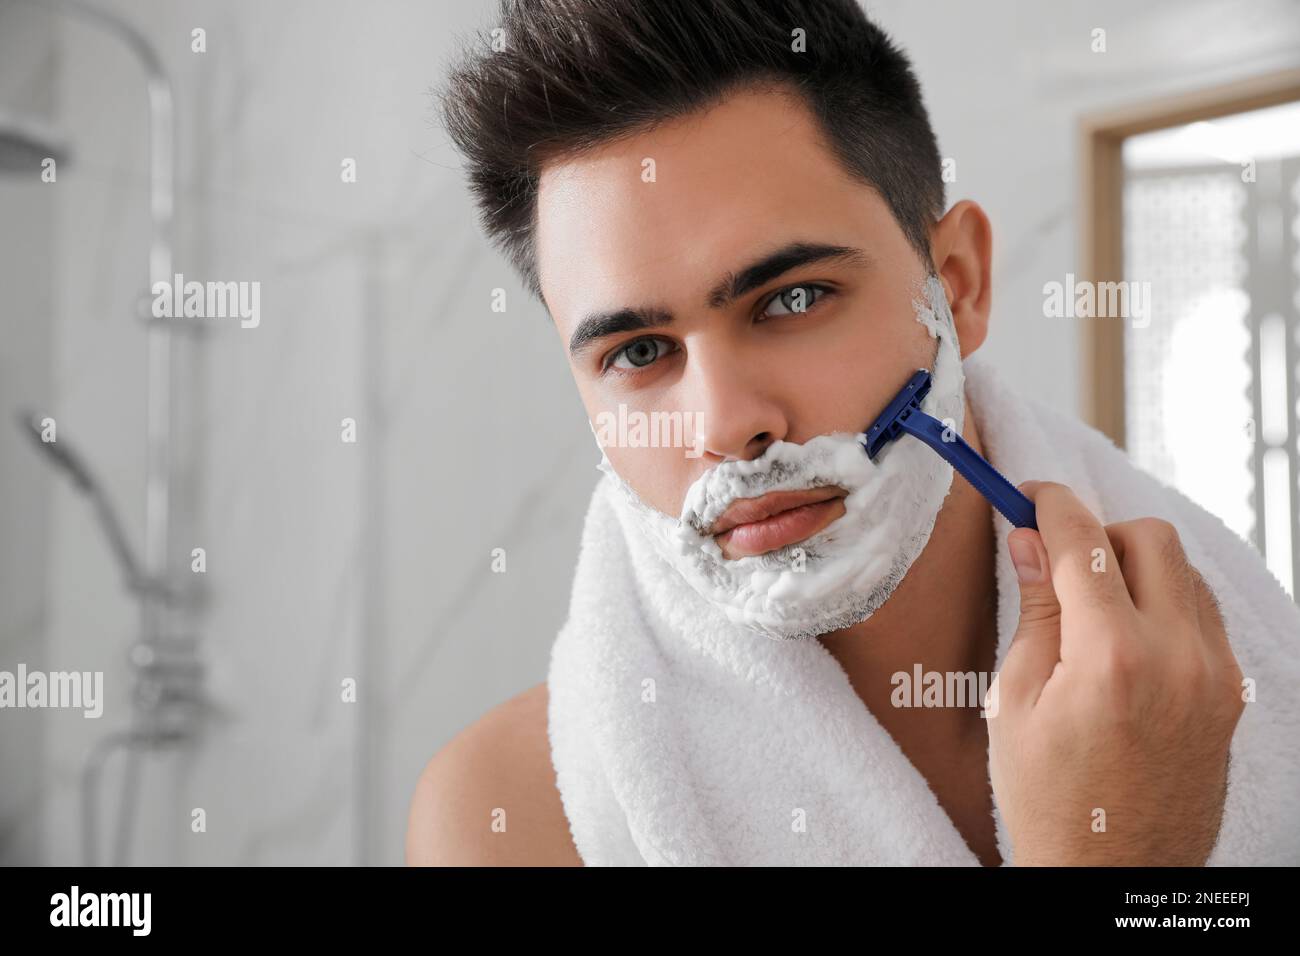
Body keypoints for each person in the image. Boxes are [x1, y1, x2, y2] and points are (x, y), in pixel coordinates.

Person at [406, 0, 1290, 866]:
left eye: (791, 299)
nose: (727, 426)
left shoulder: (1256, 677)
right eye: (639, 351)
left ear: (958, 284)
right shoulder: (506, 817)